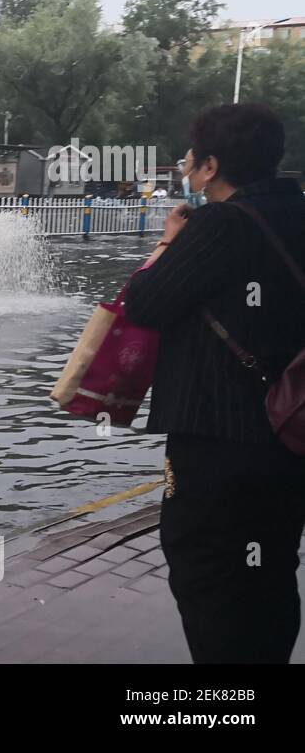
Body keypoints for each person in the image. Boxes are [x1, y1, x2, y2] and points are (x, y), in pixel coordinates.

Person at [125, 103, 305, 664]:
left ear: (210, 167)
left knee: (205, 564)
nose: (183, 167)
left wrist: (170, 241)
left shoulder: (219, 225)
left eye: (189, 159)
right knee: (270, 563)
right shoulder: (297, 212)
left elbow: (145, 304)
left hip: (219, 433)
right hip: (293, 430)